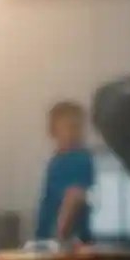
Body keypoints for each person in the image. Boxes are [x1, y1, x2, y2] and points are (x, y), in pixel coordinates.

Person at [34, 101, 95, 245]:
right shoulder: (57, 161)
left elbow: (74, 197)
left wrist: (59, 238)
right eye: (71, 127)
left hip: (67, 244)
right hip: (53, 242)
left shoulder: (78, 159)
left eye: (78, 127)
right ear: (53, 131)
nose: (75, 133)